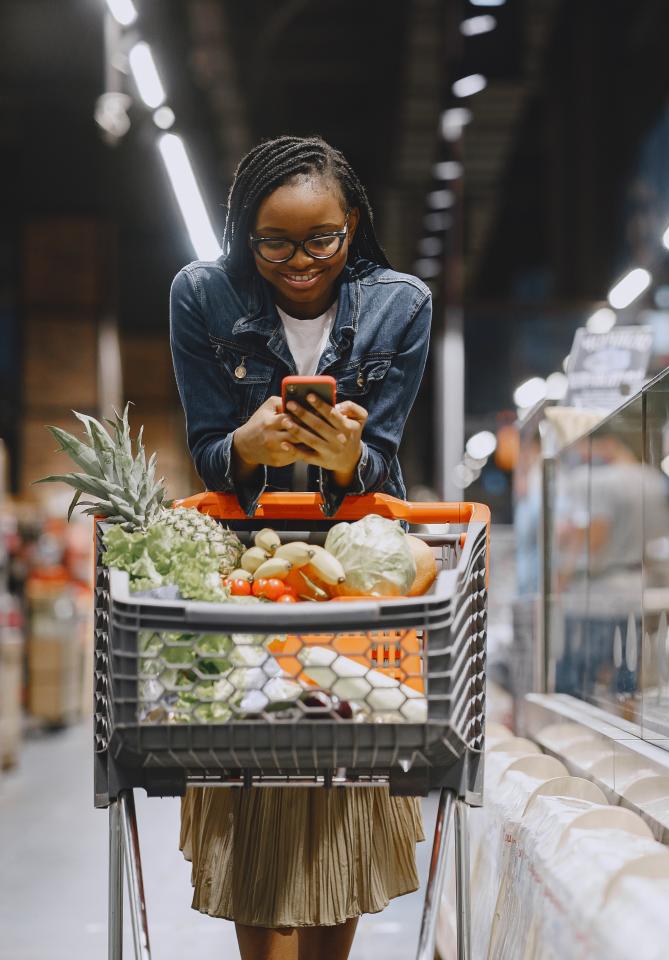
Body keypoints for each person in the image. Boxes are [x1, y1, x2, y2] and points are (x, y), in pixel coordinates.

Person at [169, 136, 432, 960]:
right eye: (274, 242)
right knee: (255, 792)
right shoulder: (202, 296)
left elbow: (382, 460)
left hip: (351, 579)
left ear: (353, 223)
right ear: (245, 232)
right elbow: (209, 453)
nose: (300, 261)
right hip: (245, 580)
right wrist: (248, 442)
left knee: (342, 793)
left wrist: (350, 458)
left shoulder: (402, 305)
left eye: (323, 238)